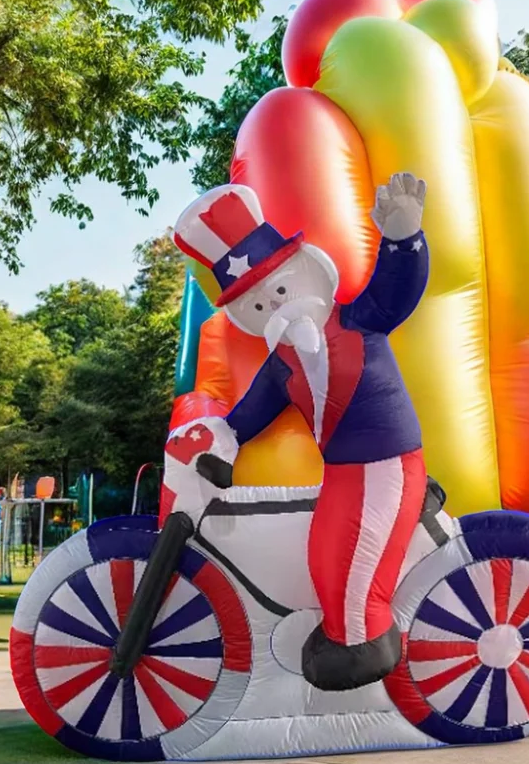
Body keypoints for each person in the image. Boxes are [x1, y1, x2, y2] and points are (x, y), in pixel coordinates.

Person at [169, 173, 428, 690]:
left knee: (348, 560)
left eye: (281, 290)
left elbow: (396, 291)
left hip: (385, 462)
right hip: (343, 472)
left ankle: (363, 641)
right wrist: (217, 438)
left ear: (306, 272)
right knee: (322, 555)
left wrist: (403, 239)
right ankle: (345, 630)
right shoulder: (281, 367)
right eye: (260, 304)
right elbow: (246, 416)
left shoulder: (357, 321)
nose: (277, 307)